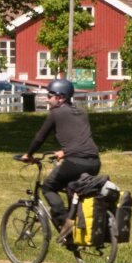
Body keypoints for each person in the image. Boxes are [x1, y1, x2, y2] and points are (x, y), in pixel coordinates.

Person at [21, 78, 100, 234]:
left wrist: (28, 155)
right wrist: (64, 152)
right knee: (72, 187)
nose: (48, 98)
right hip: (94, 162)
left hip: (75, 162)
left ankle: (65, 224)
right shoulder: (82, 113)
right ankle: (76, 227)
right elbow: (80, 138)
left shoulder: (56, 113)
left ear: (60, 97)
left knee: (48, 187)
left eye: (50, 95)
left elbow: (40, 137)